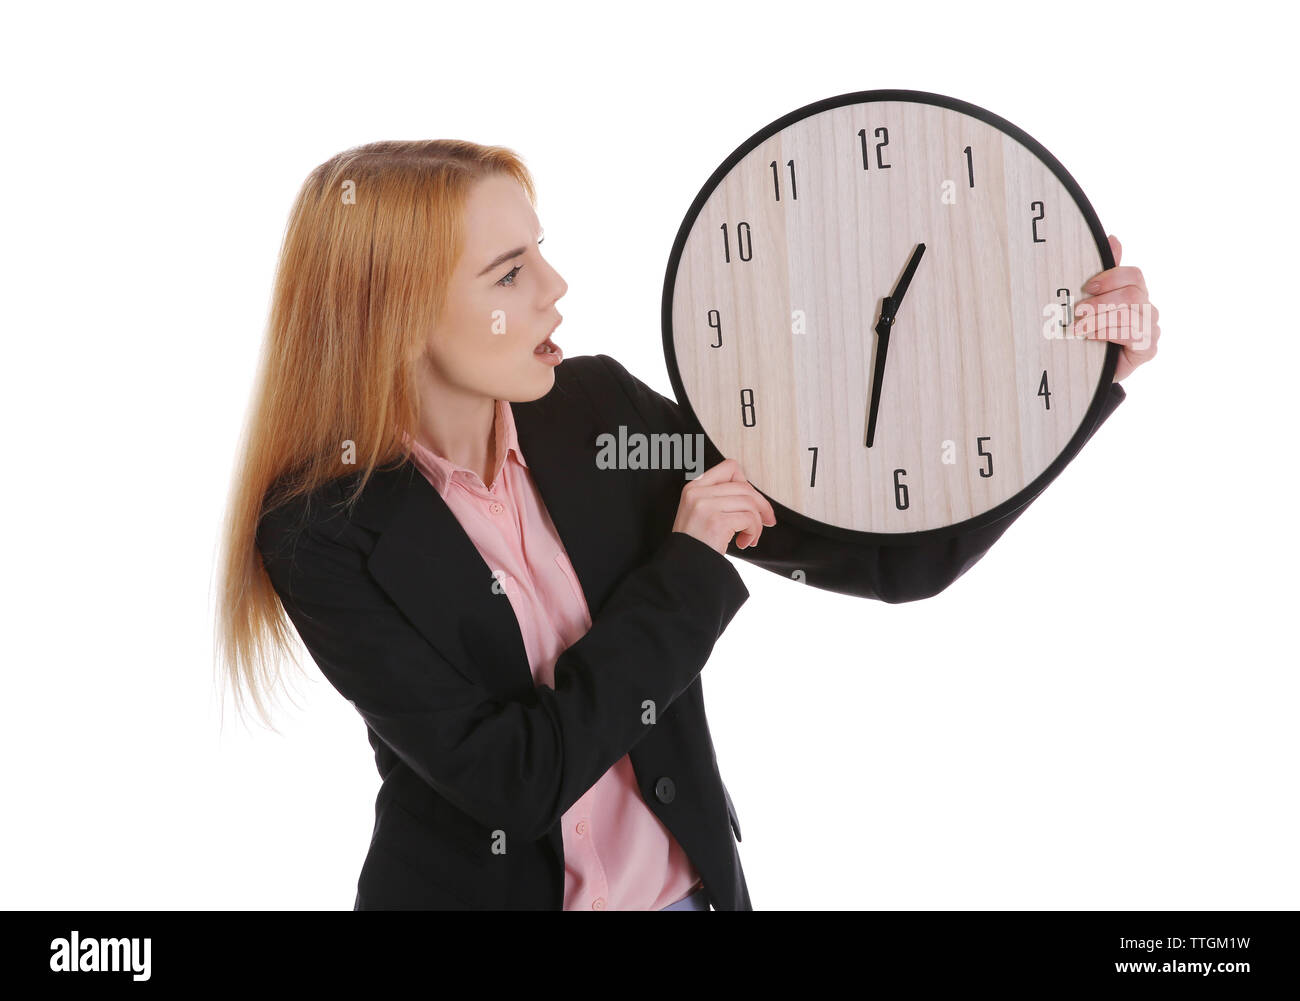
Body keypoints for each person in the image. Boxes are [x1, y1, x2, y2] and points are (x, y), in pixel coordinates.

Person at [215, 140, 1159, 911]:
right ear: (399, 314)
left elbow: (891, 559)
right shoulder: (318, 529)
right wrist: (687, 564)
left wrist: (1083, 385)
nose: (556, 285)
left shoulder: (594, 413)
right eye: (509, 272)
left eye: (541, 249)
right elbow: (515, 780)